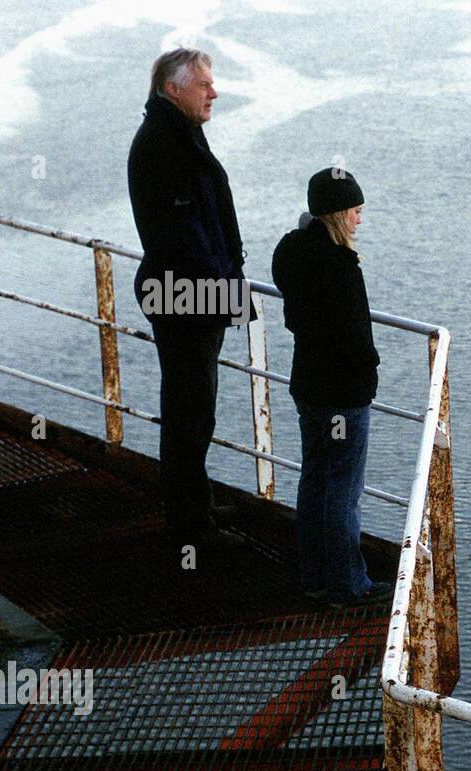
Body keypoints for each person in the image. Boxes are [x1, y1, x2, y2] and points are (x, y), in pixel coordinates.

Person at [127, 47, 251, 551]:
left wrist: (229, 280)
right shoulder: (164, 144)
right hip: (184, 297)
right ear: (172, 89)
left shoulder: (178, 135)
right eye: (204, 85)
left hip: (190, 292)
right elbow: (186, 238)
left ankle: (193, 505)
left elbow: (205, 225)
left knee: (192, 406)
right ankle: (191, 529)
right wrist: (223, 290)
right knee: (189, 410)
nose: (214, 92)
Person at [271, 169, 391, 607]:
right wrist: (370, 373)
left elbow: (298, 318)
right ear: (340, 214)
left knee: (316, 479)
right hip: (343, 393)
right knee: (344, 490)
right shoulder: (339, 267)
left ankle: (316, 577)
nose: (361, 221)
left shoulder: (294, 254)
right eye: (357, 212)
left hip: (308, 386)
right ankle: (348, 586)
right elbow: (355, 336)